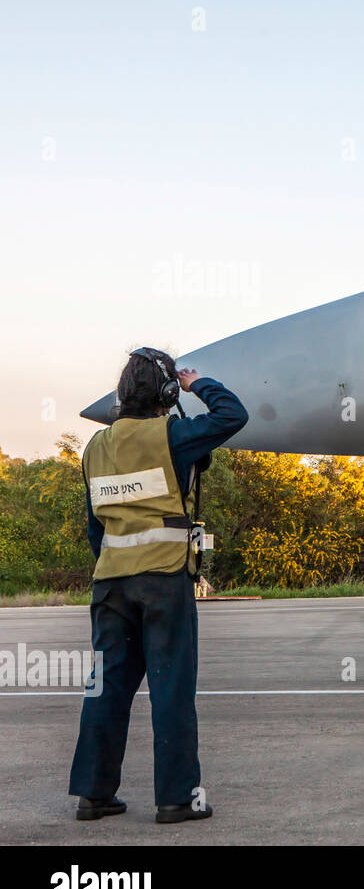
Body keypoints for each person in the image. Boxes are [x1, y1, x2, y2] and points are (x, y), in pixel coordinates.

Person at [70, 347, 248, 824]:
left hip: (110, 584)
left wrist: (114, 566)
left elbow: (94, 527)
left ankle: (93, 794)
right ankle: (175, 798)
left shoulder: (96, 448)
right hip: (165, 580)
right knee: (170, 690)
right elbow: (233, 415)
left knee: (105, 688)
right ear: (167, 392)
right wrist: (198, 385)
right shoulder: (171, 435)